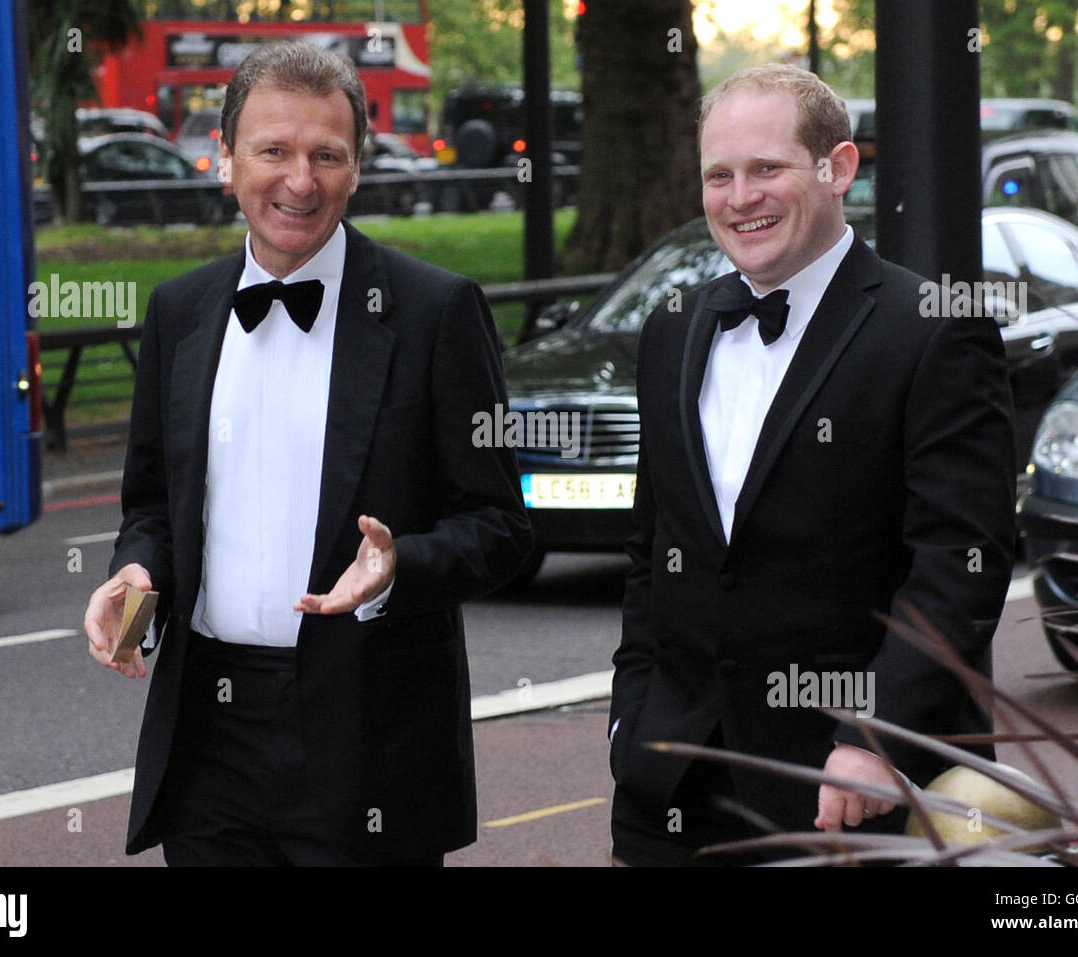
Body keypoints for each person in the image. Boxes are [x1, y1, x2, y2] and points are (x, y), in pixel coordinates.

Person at [83, 42, 532, 866]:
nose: (301, 180)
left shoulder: (437, 312)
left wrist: (398, 570)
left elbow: (501, 525)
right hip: (209, 736)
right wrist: (135, 579)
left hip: (370, 738)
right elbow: (151, 505)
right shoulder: (179, 311)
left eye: (327, 154)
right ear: (225, 160)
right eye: (274, 151)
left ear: (357, 169)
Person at [608, 64, 1017, 866]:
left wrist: (873, 734)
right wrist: (632, 717)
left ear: (838, 168)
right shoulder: (672, 330)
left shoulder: (934, 331)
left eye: (767, 168)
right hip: (671, 789)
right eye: (718, 175)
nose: (738, 197)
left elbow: (959, 566)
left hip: (855, 791)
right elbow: (651, 551)